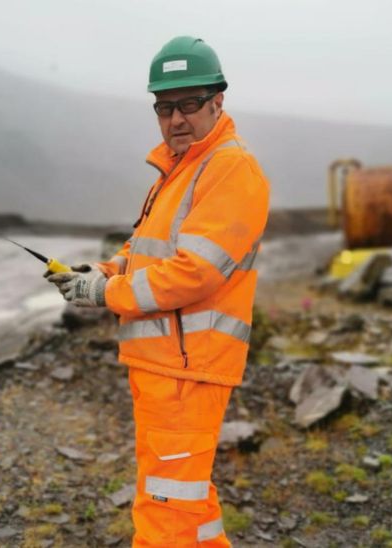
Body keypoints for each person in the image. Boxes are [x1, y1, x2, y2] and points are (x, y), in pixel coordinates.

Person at [47, 35, 270, 547]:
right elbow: (146, 251)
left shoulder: (229, 168)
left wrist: (106, 293)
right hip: (164, 365)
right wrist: (97, 273)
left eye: (189, 104)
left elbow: (194, 273)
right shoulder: (181, 168)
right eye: (165, 107)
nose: (176, 119)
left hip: (187, 368)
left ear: (219, 100)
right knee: (185, 501)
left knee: (163, 513)